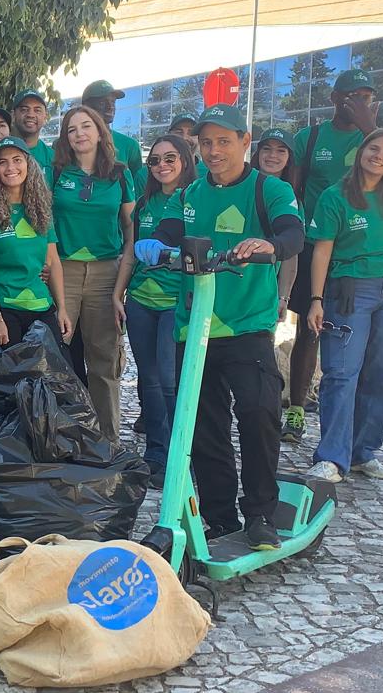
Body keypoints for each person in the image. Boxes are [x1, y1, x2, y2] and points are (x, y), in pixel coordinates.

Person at [136, 105, 304, 550]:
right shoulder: (189, 194)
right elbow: (167, 234)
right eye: (206, 143)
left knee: (258, 413)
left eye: (223, 141)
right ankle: (219, 517)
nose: (213, 151)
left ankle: (261, 514)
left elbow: (292, 234)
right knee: (202, 426)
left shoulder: (269, 189)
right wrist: (154, 246)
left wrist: (270, 244)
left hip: (247, 324)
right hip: (194, 327)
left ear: (244, 141)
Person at [304, 130, 383, 483]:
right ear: (360, 152)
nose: (379, 157)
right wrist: (316, 300)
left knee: (381, 374)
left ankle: (362, 452)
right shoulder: (335, 196)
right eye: (374, 149)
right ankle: (331, 457)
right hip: (351, 290)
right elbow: (321, 250)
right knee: (341, 374)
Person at [283, 67, 379, 444]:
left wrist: (369, 126)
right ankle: (295, 408)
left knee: (353, 334)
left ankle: (349, 421)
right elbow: (293, 187)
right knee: (310, 329)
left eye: (367, 97)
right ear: (335, 99)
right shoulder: (311, 137)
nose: (360, 103)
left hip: (355, 251)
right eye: (353, 96)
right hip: (313, 243)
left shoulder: (373, 140)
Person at [50, 105, 134, 436]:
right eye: (72, 129)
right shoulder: (56, 173)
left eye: (86, 126)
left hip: (106, 273)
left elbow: (131, 230)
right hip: (64, 271)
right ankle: (61, 435)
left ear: (100, 132)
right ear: (66, 139)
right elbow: (44, 223)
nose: (80, 133)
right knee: (59, 354)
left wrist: (121, 284)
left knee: (104, 362)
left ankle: (109, 439)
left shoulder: (119, 173)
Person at [125, 134, 196, 480]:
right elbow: (131, 251)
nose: (162, 165)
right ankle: (156, 451)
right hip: (140, 300)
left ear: (185, 160)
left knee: (171, 380)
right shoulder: (144, 204)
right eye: (155, 161)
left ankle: (184, 454)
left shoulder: (196, 200)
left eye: (170, 158)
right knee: (149, 379)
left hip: (176, 302)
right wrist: (117, 293)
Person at [0, 139, 72, 345]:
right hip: (6, 308)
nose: (11, 168)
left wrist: (61, 308)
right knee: (11, 375)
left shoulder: (42, 209)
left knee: (55, 374)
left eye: (17, 160)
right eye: (2, 162)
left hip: (42, 307)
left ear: (29, 164)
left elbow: (52, 261)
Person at [253, 128, 303, 327]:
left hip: (266, 293)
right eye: (267, 149)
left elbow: (291, 253)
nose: (272, 156)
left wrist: (284, 297)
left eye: (281, 150)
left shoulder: (291, 200)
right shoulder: (237, 187)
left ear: (289, 157)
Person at [80, 79, 144, 178]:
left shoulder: (130, 145)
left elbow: (138, 186)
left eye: (113, 102)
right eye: (102, 103)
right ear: (85, 106)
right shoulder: (70, 143)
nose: (110, 107)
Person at [12, 90, 54, 177]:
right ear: (13, 115)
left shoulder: (53, 158)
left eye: (37, 110)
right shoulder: (1, 152)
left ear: (45, 116)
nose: (31, 115)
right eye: (24, 110)